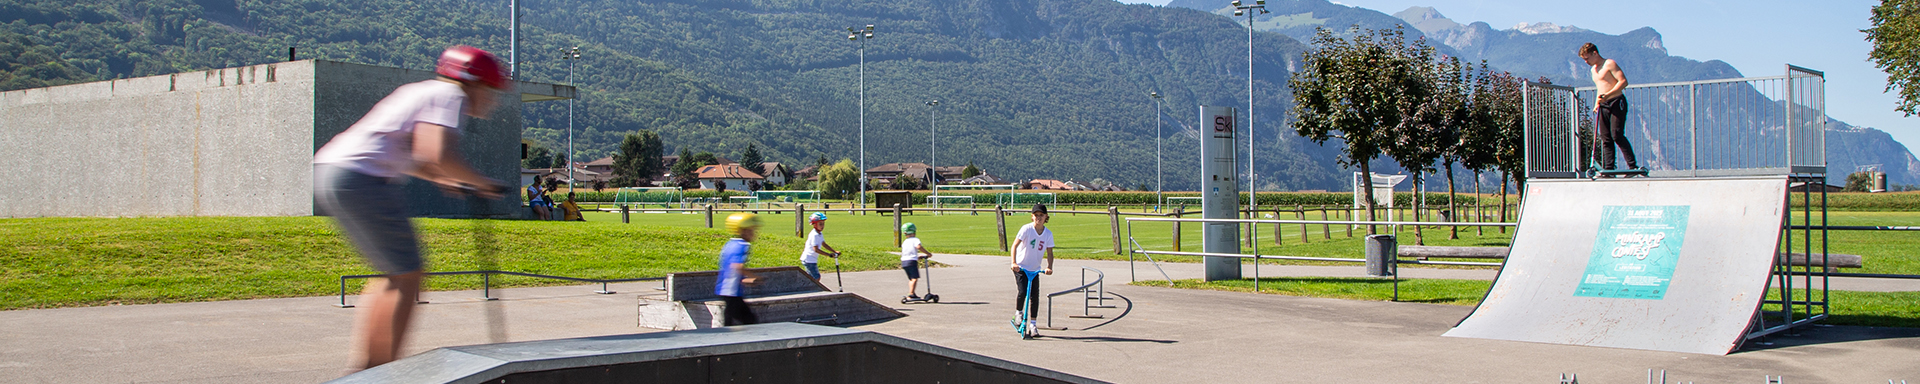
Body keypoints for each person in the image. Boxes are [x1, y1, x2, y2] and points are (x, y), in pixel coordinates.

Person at [313, 45, 509, 371]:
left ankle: (368, 367)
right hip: (362, 178)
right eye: (491, 90)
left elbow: (417, 155)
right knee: (408, 274)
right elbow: (437, 153)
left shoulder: (423, 91)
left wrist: (446, 178)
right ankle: (382, 369)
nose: (492, 100)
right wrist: (483, 182)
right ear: (474, 83)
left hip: (333, 171)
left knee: (394, 273)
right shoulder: (451, 95)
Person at [1579, 42, 1641, 172]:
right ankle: (1609, 168)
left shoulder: (1609, 64)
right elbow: (1600, 87)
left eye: (1587, 58)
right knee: (1605, 137)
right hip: (1603, 104)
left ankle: (1632, 166)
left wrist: (1608, 95)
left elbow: (1623, 81)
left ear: (1595, 53)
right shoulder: (1593, 70)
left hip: (1616, 101)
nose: (1586, 62)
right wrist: (1597, 103)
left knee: (1617, 134)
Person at [1010, 204, 1055, 326]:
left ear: (1046, 217)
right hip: (1021, 267)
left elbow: (1049, 253)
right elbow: (1014, 245)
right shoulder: (1026, 229)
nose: (1038, 218)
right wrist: (1013, 262)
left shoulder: (1048, 234)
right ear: (1032, 216)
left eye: (1041, 215)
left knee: (1034, 296)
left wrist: (1049, 267)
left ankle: (1033, 324)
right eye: (1036, 215)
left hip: (1034, 269)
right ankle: (1018, 313)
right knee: (1023, 291)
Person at [716, 212, 762, 326]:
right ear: (743, 231)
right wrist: (754, 277)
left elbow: (729, 268)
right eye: (751, 230)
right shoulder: (742, 245)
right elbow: (737, 266)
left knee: (730, 319)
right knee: (749, 320)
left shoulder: (730, 244)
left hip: (724, 289)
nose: (754, 233)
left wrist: (743, 279)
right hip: (732, 291)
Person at [799, 212, 840, 280]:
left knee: (812, 278)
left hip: (812, 259)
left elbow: (824, 244)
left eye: (823, 224)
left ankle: (805, 285)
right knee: (816, 277)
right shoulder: (814, 234)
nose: (822, 226)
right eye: (820, 224)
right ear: (814, 224)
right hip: (808, 259)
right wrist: (828, 254)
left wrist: (834, 251)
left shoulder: (819, 234)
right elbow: (816, 249)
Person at [899, 222, 933, 301]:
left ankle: (912, 293)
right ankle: (911, 294)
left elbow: (908, 253)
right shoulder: (915, 240)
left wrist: (917, 257)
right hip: (911, 262)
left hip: (904, 261)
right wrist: (928, 253)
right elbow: (918, 247)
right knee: (914, 278)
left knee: (911, 279)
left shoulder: (905, 242)